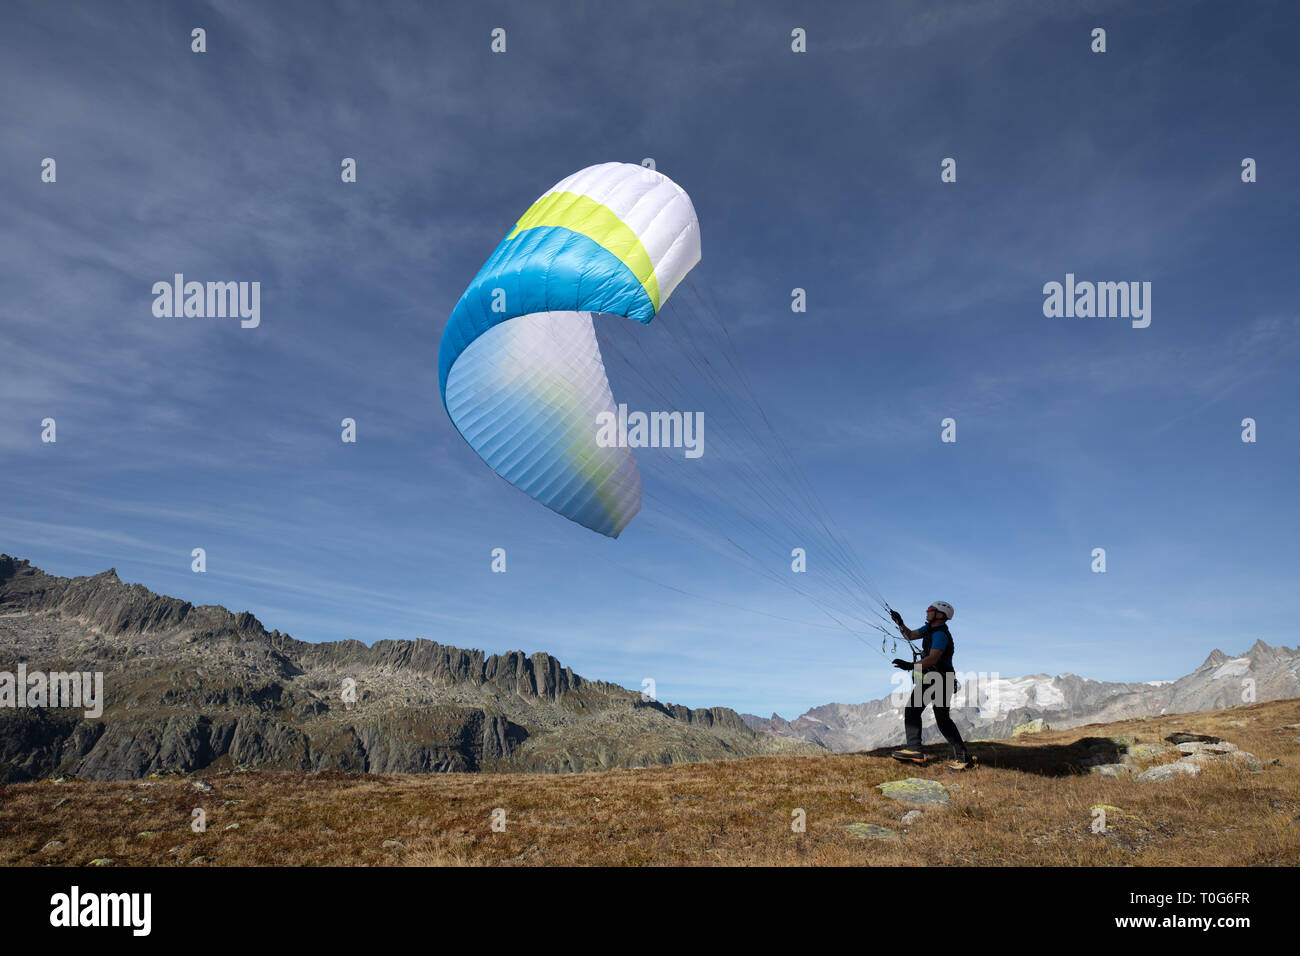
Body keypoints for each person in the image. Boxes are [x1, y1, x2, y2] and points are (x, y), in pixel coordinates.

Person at [888, 601, 972, 771]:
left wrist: (911, 666)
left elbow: (933, 658)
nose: (927, 612)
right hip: (933, 677)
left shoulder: (941, 634)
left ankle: (961, 757)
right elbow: (910, 635)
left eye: (931, 610)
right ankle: (915, 750)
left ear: (940, 615)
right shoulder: (930, 629)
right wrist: (900, 623)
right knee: (916, 710)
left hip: (940, 678)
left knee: (939, 718)